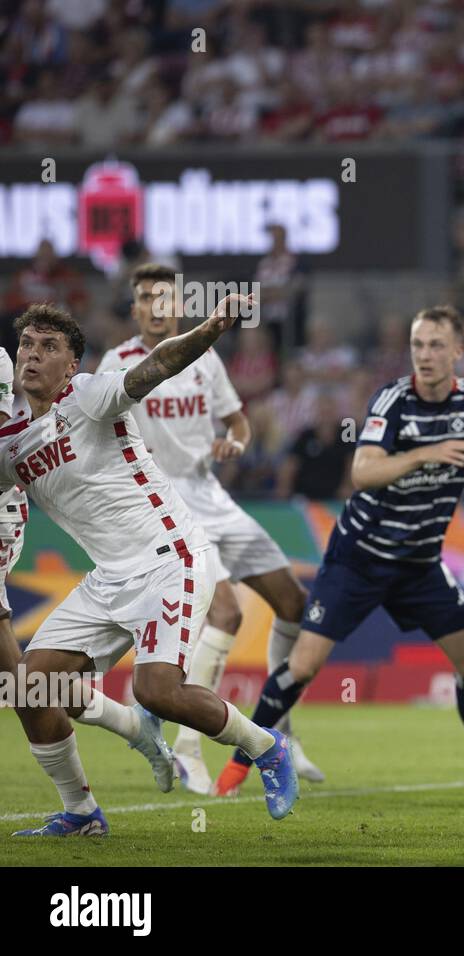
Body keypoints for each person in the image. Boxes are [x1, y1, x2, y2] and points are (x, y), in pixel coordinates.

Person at [3, 299, 297, 837]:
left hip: (170, 558)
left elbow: (156, 365)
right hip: (107, 577)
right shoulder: (12, 445)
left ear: (71, 364)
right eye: (26, 344)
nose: (33, 355)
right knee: (31, 689)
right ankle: (85, 812)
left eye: (49, 347)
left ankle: (265, 745)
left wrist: (209, 329)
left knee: (158, 689)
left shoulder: (90, 395)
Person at [210, 306, 464, 800]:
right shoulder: (394, 399)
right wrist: (427, 453)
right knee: (306, 665)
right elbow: (364, 471)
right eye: (418, 345)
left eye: (436, 345)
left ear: (458, 353)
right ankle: (241, 761)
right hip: (359, 557)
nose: (424, 354)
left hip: (420, 566)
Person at [96, 263, 315, 796]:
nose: (155, 306)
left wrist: (235, 443)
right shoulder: (117, 363)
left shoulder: (203, 357)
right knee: (228, 611)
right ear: (135, 306)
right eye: (145, 297)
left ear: (180, 304)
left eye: (164, 297)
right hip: (160, 503)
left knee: (292, 602)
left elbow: (236, 420)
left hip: (210, 495)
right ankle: (191, 747)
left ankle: (279, 724)